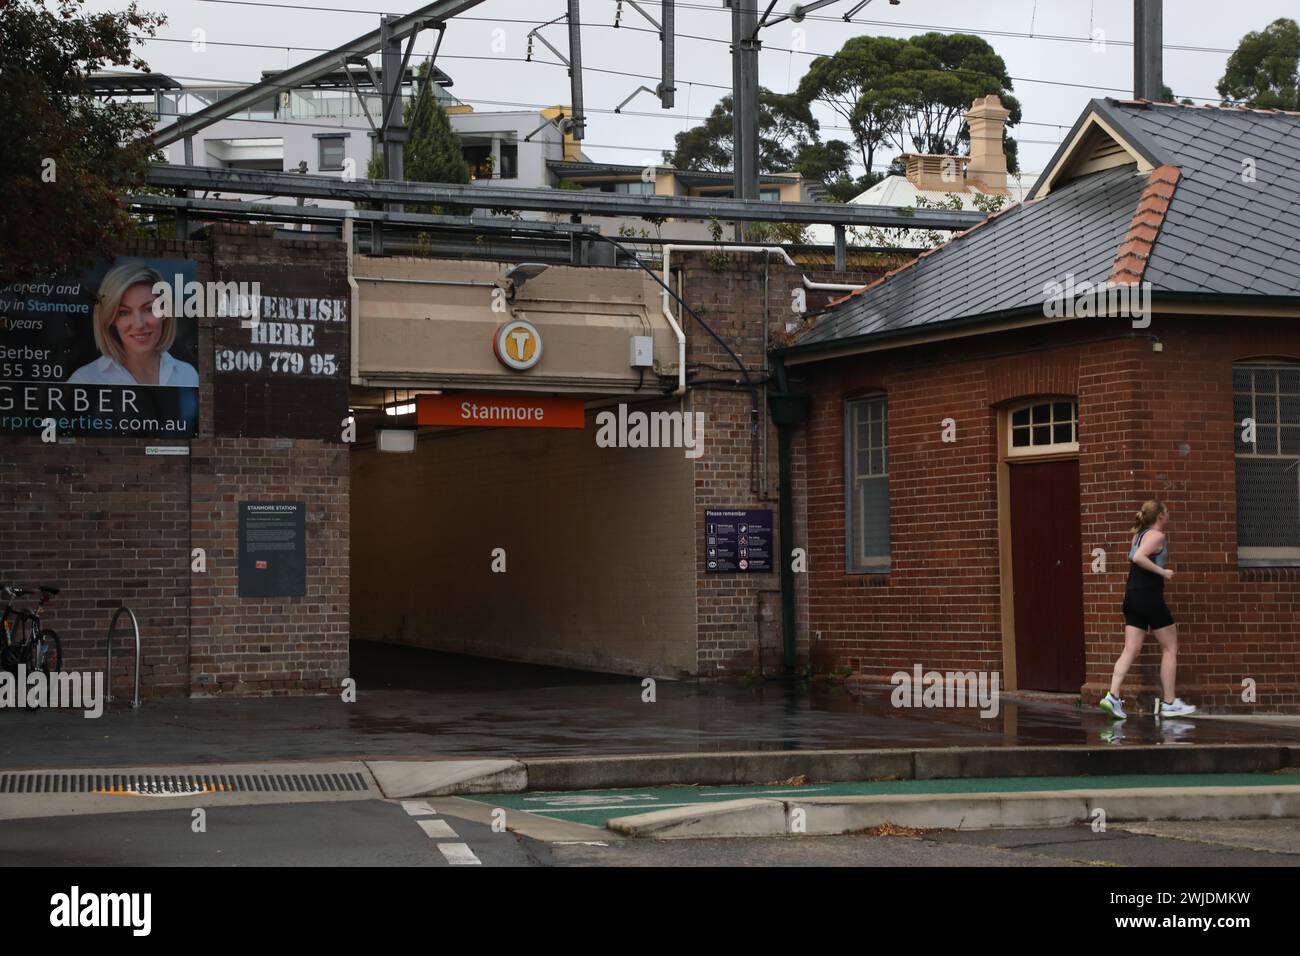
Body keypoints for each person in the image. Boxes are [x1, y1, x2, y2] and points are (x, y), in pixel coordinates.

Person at [1099, 500, 1196, 719]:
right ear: (1160, 516)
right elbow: (1138, 557)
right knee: (1170, 648)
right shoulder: (1156, 536)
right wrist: (1163, 573)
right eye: (1167, 511)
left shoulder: (1139, 535)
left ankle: (1112, 696)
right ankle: (1170, 703)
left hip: (1131, 596)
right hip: (1149, 596)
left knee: (1130, 649)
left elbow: (1135, 556)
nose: (1169, 514)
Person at [67, 260, 199, 387]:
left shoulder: (187, 374)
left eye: (149, 309)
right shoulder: (85, 379)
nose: (139, 324)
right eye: (124, 312)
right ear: (111, 319)